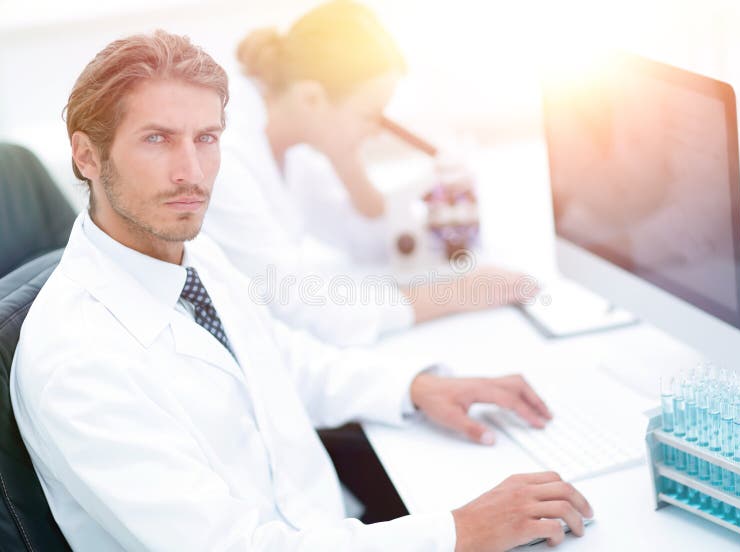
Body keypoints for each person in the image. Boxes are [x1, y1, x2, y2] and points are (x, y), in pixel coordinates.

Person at [10, 31, 592, 551]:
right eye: (158, 139)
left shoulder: (192, 253)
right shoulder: (77, 362)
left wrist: (415, 388)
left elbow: (279, 360)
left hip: (332, 526)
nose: (191, 170)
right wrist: (458, 532)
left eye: (206, 138)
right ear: (86, 155)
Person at [202, 0, 537, 346]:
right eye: (370, 114)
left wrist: (346, 157)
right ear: (312, 98)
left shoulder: (293, 140)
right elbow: (297, 307)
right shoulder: (225, 157)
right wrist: (456, 294)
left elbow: (369, 246)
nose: (377, 132)